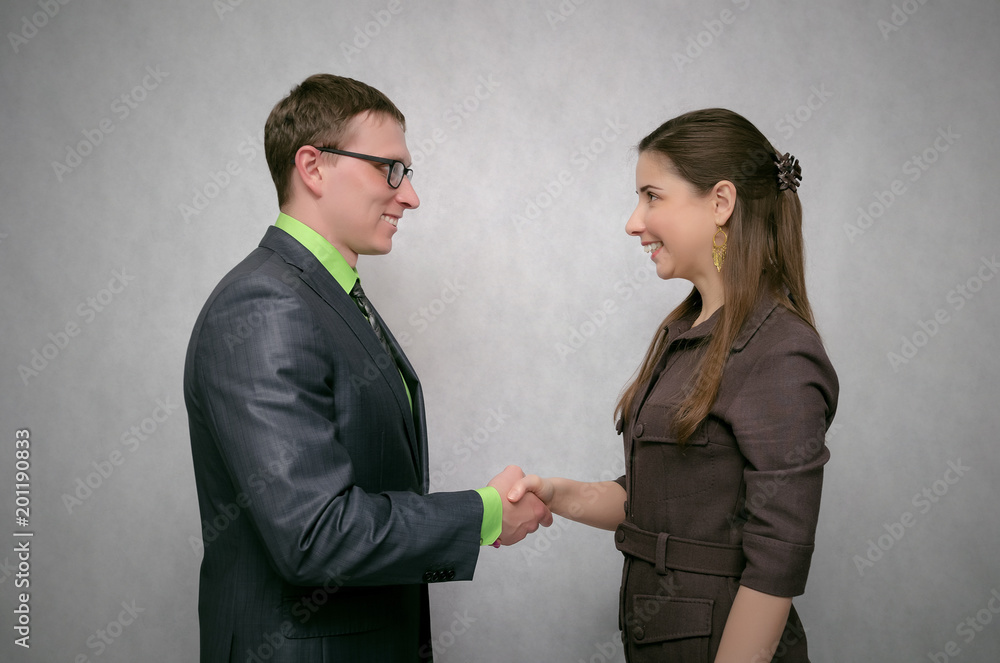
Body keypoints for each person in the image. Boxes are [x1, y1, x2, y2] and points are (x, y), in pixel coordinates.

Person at [183, 74, 551, 663]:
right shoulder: (264, 306)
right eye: (391, 169)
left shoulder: (324, 295)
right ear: (313, 166)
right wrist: (483, 514)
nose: (410, 196)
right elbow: (314, 535)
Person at [508, 109, 839, 662]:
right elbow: (666, 499)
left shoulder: (781, 351)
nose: (633, 221)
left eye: (652, 196)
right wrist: (561, 495)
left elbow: (775, 563)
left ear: (720, 202)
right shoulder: (682, 332)